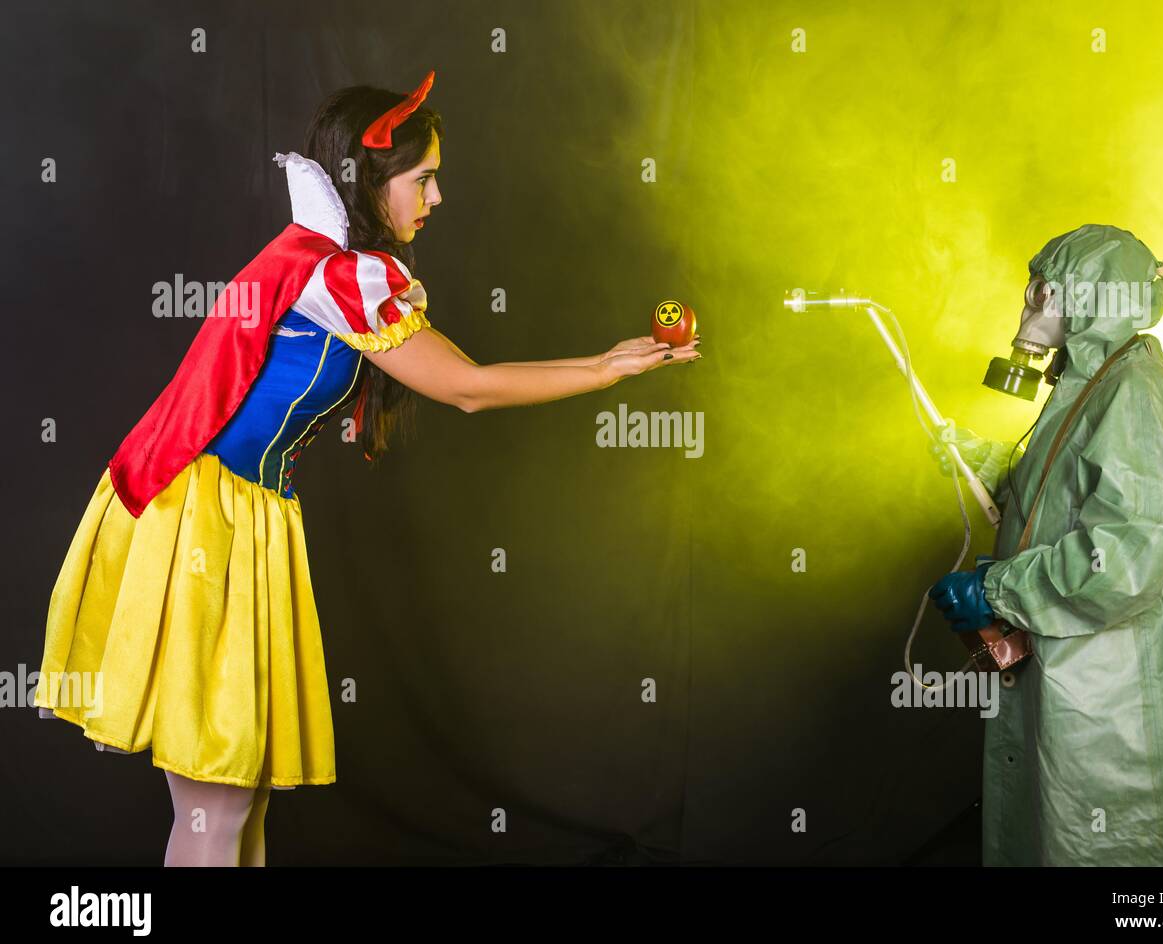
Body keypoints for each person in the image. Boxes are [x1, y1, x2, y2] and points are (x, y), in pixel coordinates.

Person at [33, 69, 701, 867]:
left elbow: (457, 376)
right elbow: (468, 388)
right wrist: (605, 368)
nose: (437, 198)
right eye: (424, 180)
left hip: (238, 513)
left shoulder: (318, 262)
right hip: (202, 518)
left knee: (236, 799)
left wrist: (602, 364)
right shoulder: (333, 275)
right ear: (372, 181)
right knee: (218, 800)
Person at [926, 224, 1163, 865]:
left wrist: (994, 589)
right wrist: (986, 464)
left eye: (1045, 293)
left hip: (1110, 686)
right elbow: (1067, 494)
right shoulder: (1093, 379)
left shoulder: (1131, 391)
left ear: (1095, 297)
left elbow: (1127, 556)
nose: (1029, 306)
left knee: (1106, 846)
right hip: (1073, 670)